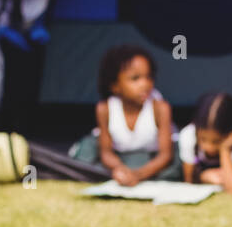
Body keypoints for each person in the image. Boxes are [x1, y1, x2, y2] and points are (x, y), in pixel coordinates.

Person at [70, 44, 180, 184]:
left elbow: (165, 156)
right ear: (115, 86)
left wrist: (138, 175)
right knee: (87, 153)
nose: (145, 84)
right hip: (120, 157)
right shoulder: (105, 109)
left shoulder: (160, 108)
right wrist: (121, 170)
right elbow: (106, 153)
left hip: (150, 159)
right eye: (135, 78)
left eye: (149, 77)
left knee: (174, 167)